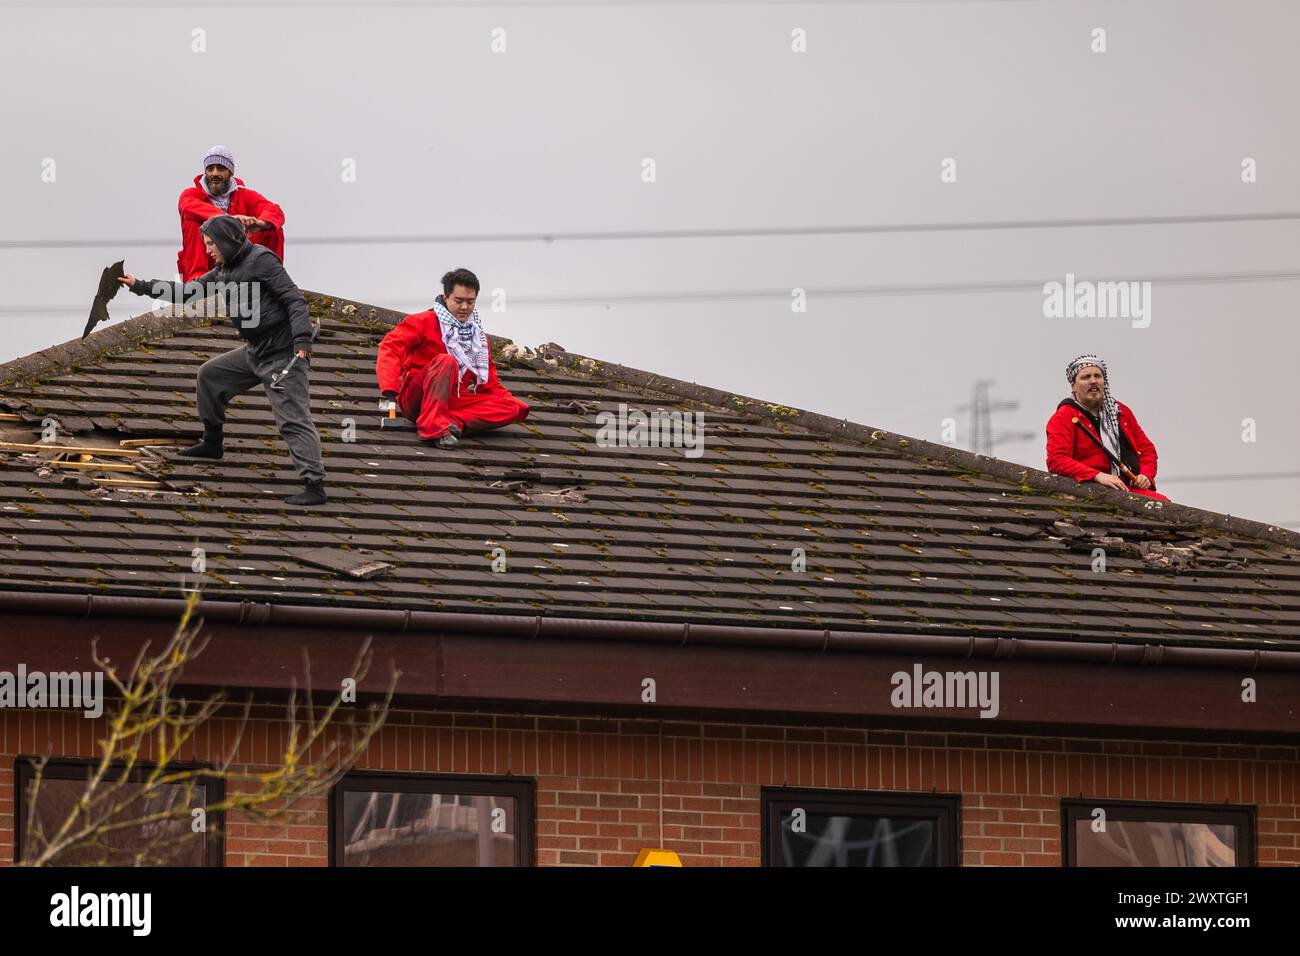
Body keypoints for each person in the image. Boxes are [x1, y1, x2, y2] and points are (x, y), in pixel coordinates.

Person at [119, 215, 327, 506]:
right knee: (210, 375)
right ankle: (212, 443)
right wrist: (138, 284)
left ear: (227, 240)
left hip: (283, 354)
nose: (208, 251)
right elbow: (187, 292)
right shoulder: (222, 270)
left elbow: (294, 300)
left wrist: (302, 342)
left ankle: (314, 485)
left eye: (211, 244)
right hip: (255, 350)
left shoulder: (261, 260)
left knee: (292, 419)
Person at [375, 268, 529, 446]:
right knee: (446, 361)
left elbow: (490, 384)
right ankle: (434, 429)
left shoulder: (478, 338)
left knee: (511, 407)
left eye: (470, 302)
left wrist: (515, 405)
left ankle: (452, 423)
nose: (465, 307)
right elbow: (391, 347)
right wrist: (390, 388)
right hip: (417, 398)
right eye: (459, 301)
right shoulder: (422, 321)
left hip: (454, 402)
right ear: (446, 297)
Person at [1045, 354, 1167, 500]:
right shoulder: (1064, 416)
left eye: (1097, 376)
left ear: (1104, 382)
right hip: (1088, 488)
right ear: (1073, 386)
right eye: (1086, 377)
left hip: (1127, 488)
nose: (1093, 381)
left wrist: (1145, 475)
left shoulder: (1121, 412)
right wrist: (1097, 476)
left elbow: (1147, 450)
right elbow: (1057, 460)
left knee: (1164, 504)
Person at [177, 146, 285, 281]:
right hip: (208, 265)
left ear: (230, 172)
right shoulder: (192, 194)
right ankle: (197, 279)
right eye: (210, 169)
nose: (214, 173)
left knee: (273, 228)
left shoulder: (245, 195)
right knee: (192, 221)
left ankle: (272, 277)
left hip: (240, 264)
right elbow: (188, 206)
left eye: (221, 168)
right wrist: (231, 220)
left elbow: (275, 211)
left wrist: (260, 223)